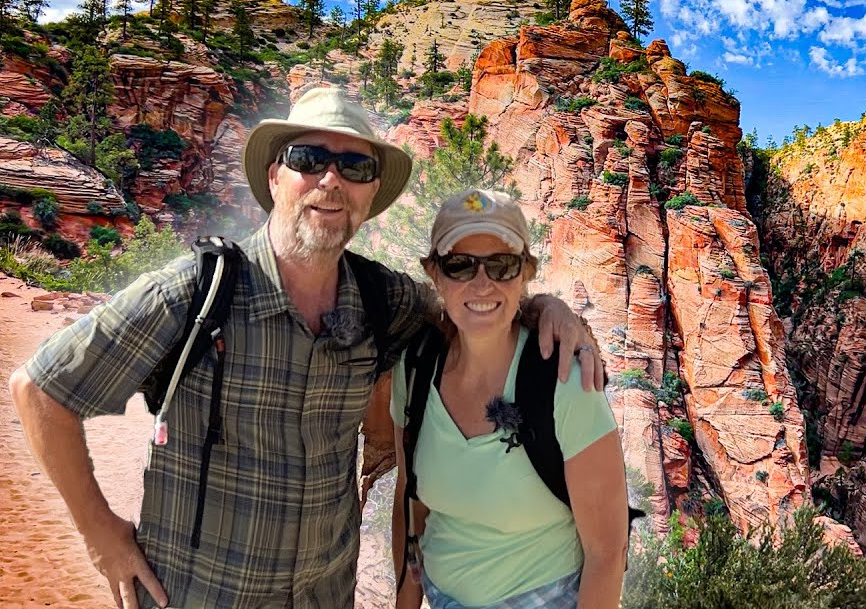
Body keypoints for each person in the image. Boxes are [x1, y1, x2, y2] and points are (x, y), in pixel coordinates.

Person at [7, 86, 603, 609]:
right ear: (274, 176)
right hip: (199, 592)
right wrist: (99, 532)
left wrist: (547, 308)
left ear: (370, 194)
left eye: (353, 166)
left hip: (325, 593)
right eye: (308, 158)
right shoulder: (196, 292)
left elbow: (475, 302)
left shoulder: (382, 300)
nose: (331, 180)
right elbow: (40, 390)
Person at [392, 189, 628, 609]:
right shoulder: (414, 370)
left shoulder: (564, 383)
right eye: (460, 265)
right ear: (435, 275)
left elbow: (607, 552)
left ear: (524, 274)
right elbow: (410, 502)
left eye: (501, 266)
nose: (482, 283)